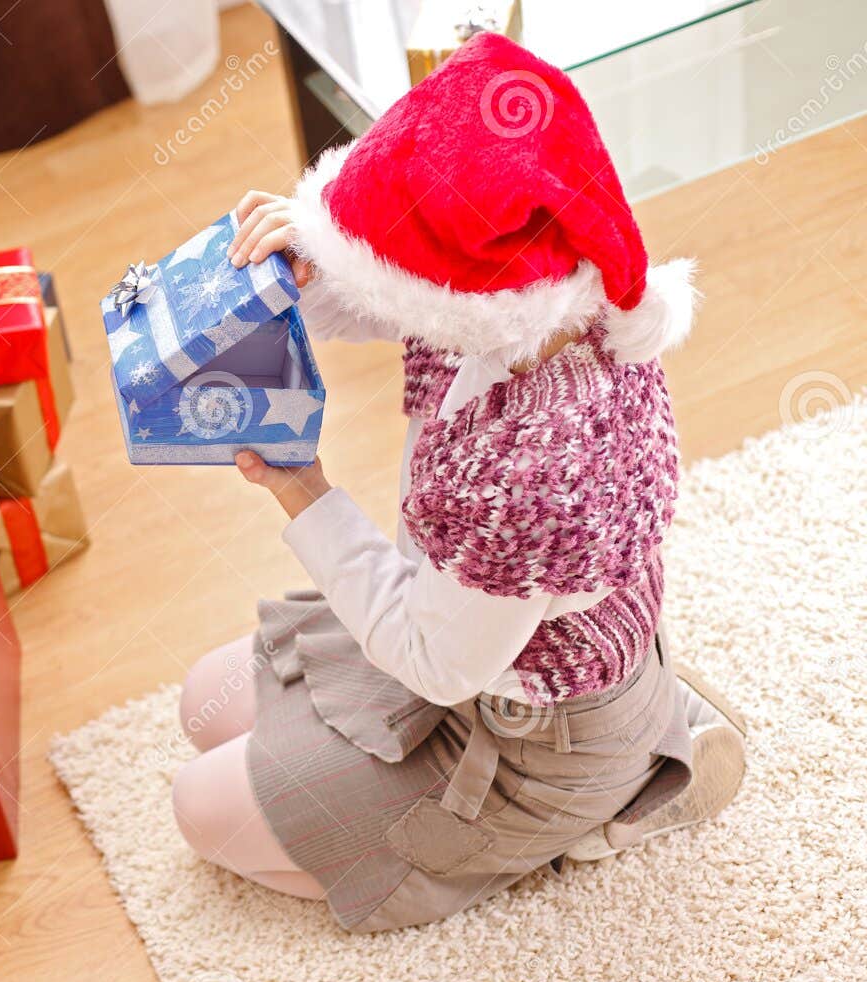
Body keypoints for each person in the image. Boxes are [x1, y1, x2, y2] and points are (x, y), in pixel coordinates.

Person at [171, 33, 746, 933]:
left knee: (200, 809)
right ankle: (653, 732)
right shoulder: (541, 292)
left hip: (529, 735)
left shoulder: (539, 463)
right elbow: (387, 294)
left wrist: (302, 493)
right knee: (202, 703)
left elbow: (439, 664)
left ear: (453, 292)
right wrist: (304, 258)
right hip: (481, 631)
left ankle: (601, 803)